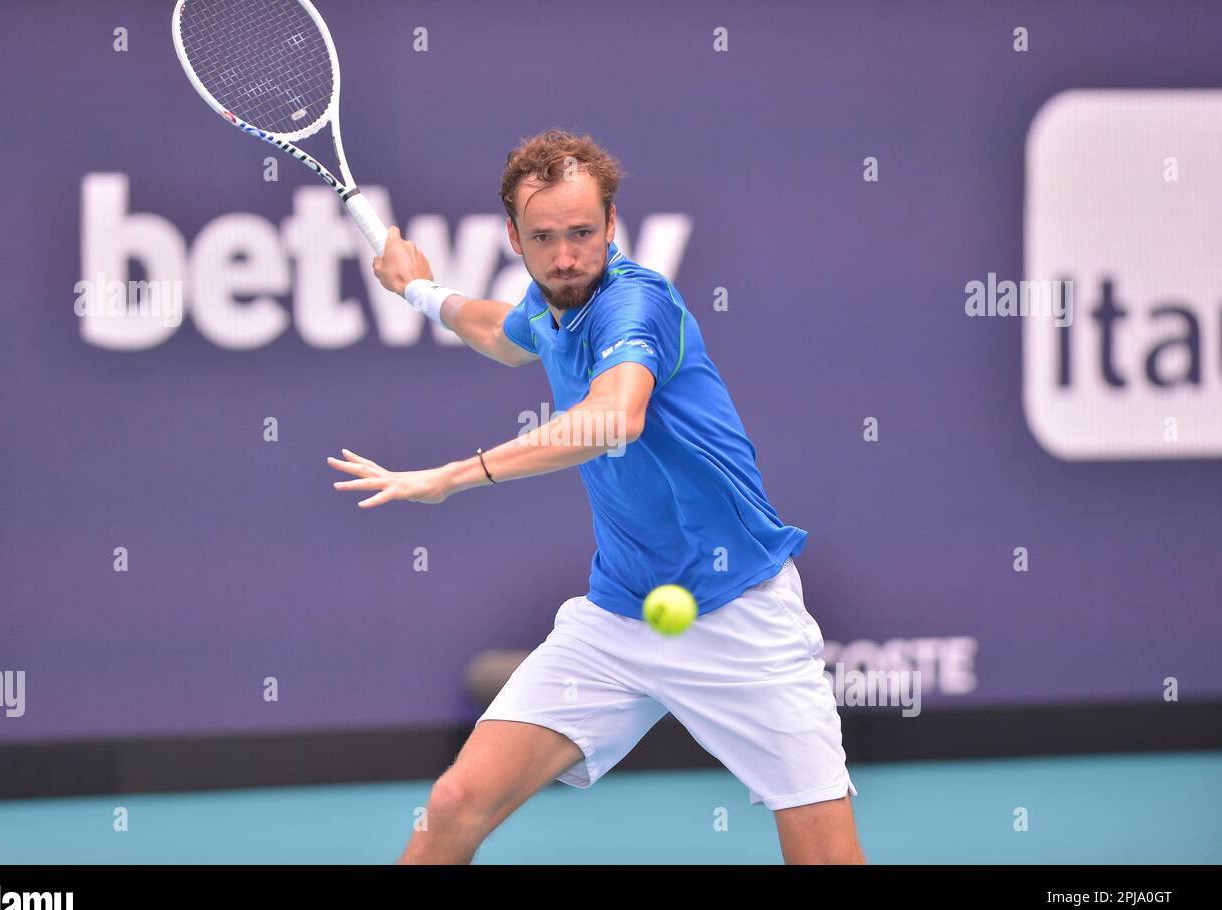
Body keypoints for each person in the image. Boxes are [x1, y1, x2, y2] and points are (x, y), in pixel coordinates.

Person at [327, 129, 863, 864]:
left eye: (583, 233)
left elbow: (615, 415)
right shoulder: (550, 307)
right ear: (513, 237)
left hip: (741, 612)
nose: (567, 255)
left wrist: (453, 476)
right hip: (620, 617)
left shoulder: (635, 303)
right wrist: (419, 289)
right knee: (452, 803)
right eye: (544, 237)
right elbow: (502, 331)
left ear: (612, 225)